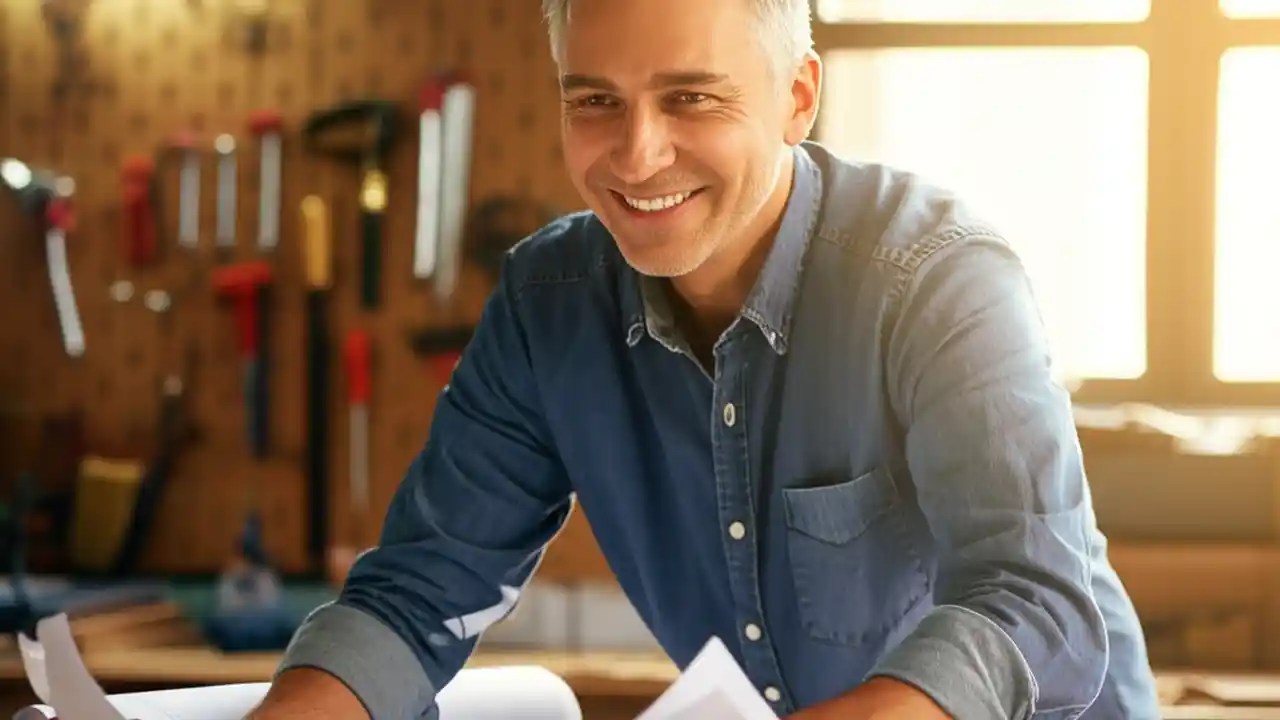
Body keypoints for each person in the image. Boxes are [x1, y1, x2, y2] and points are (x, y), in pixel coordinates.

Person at [249, 0, 1162, 717]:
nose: (638, 155)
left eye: (691, 97)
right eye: (595, 100)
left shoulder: (938, 278)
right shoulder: (545, 307)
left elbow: (1034, 604)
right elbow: (413, 598)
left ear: (798, 97)